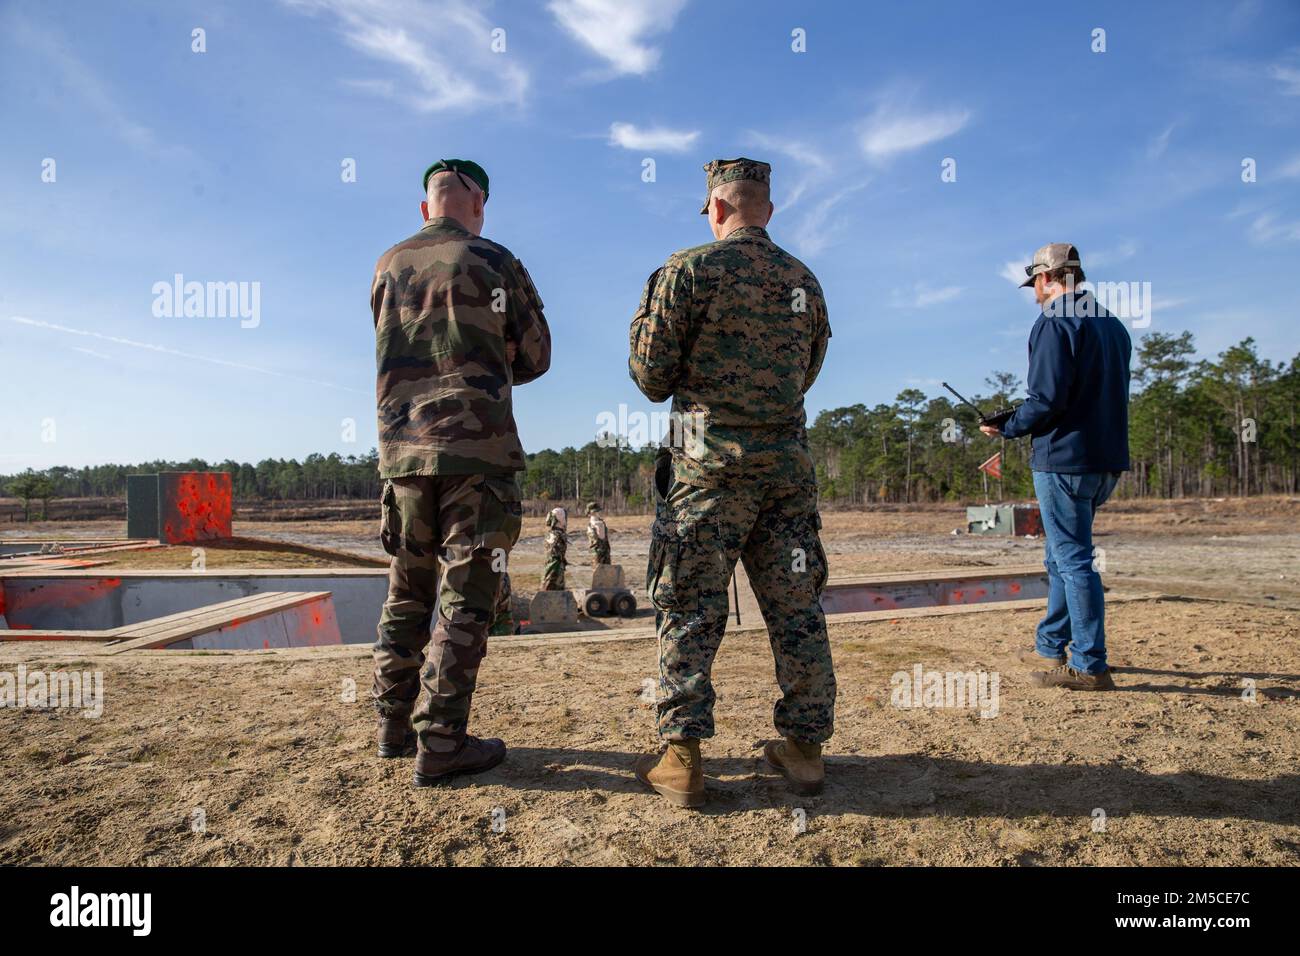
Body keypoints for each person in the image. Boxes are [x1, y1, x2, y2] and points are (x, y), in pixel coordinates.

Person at [628, 157, 836, 808]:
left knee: (689, 606)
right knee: (796, 607)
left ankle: (682, 758)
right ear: (766, 210)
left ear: (716, 208)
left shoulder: (688, 270)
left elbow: (650, 375)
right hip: (786, 472)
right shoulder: (804, 281)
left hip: (706, 468)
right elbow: (807, 370)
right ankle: (804, 752)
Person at [371, 158, 551, 785]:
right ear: (479, 204)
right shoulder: (494, 261)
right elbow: (536, 354)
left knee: (407, 591)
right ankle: (442, 738)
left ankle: (392, 726)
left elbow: (393, 344)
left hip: (404, 456)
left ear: (428, 207)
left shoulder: (388, 265)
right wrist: (489, 352)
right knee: (465, 599)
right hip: (478, 455)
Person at [981, 242, 1131, 691]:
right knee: (1062, 555)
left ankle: (1088, 665)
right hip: (1106, 460)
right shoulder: (1115, 325)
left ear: (1047, 279)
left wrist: (1007, 427)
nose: (1034, 293)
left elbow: (1046, 399)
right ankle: (1051, 643)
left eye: (1034, 284)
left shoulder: (1053, 320)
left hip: (1064, 459)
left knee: (1073, 559)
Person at [541, 506, 568, 590]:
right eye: (563, 517)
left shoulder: (552, 534)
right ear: (559, 518)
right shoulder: (556, 535)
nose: (565, 520)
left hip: (555, 570)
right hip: (554, 573)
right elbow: (553, 557)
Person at [586, 501, 611, 566]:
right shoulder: (592, 525)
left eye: (598, 511)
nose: (598, 513)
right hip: (597, 553)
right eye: (595, 512)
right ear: (591, 512)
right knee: (598, 571)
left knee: (607, 571)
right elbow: (594, 542)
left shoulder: (601, 522)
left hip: (605, 551)